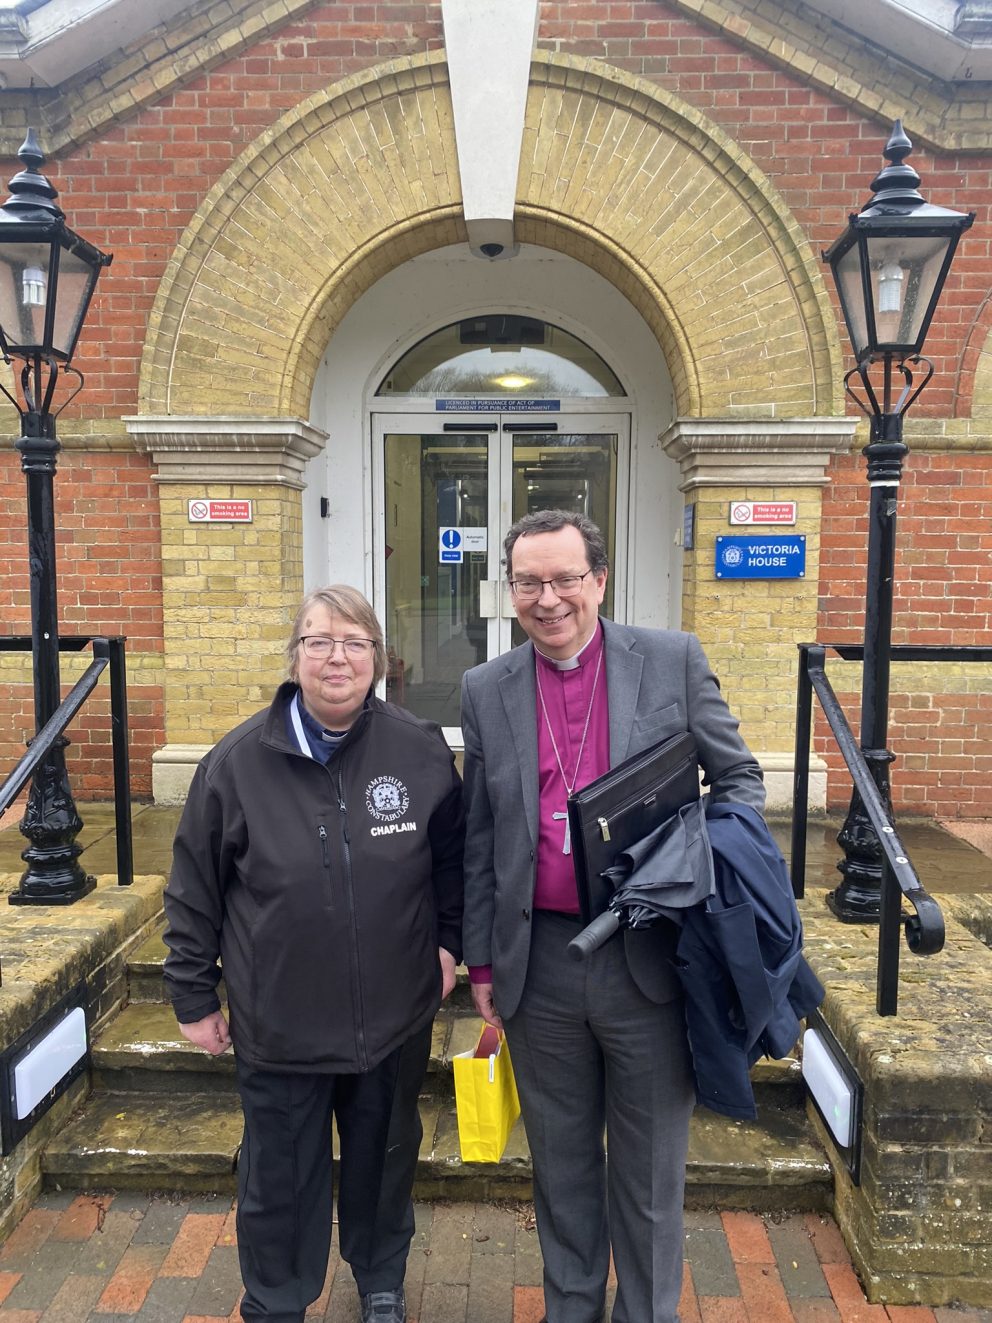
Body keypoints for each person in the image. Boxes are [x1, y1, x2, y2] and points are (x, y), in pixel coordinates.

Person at [460, 510, 765, 1323]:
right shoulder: (485, 689)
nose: (548, 597)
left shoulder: (672, 660)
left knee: (652, 1175)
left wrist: (690, 864)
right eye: (529, 580)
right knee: (560, 1171)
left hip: (651, 959)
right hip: (543, 964)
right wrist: (482, 963)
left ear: (599, 579)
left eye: (565, 578)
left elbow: (739, 782)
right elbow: (479, 837)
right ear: (511, 589)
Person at [163, 585, 464, 1323]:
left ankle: (382, 1277)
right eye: (319, 641)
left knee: (385, 1157)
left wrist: (453, 942)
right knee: (280, 1176)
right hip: (282, 1020)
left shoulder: (418, 748)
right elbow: (192, 888)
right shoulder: (235, 765)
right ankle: (276, 1297)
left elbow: (455, 861)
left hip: (393, 1015)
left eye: (355, 642)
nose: (337, 657)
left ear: (379, 660)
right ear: (294, 657)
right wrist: (193, 996)